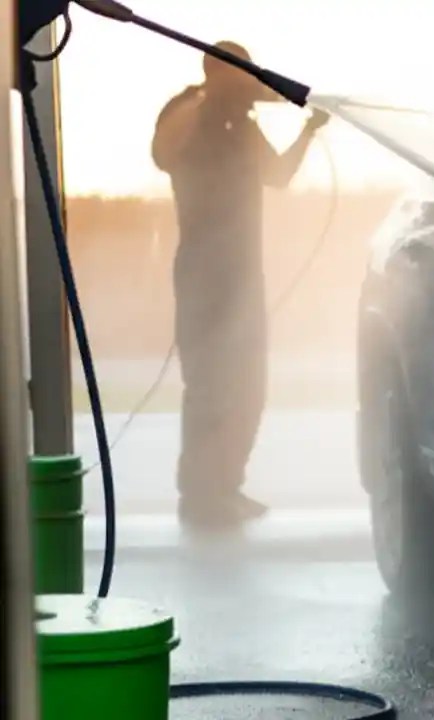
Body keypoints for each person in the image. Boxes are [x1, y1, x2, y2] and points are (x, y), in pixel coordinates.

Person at [151, 41, 328, 528]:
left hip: (245, 276)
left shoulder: (243, 127)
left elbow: (279, 176)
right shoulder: (188, 111)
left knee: (248, 386)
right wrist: (213, 95)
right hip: (202, 274)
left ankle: (227, 485)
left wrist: (308, 132)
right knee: (208, 385)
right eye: (239, 75)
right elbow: (163, 154)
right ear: (215, 73)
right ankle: (200, 495)